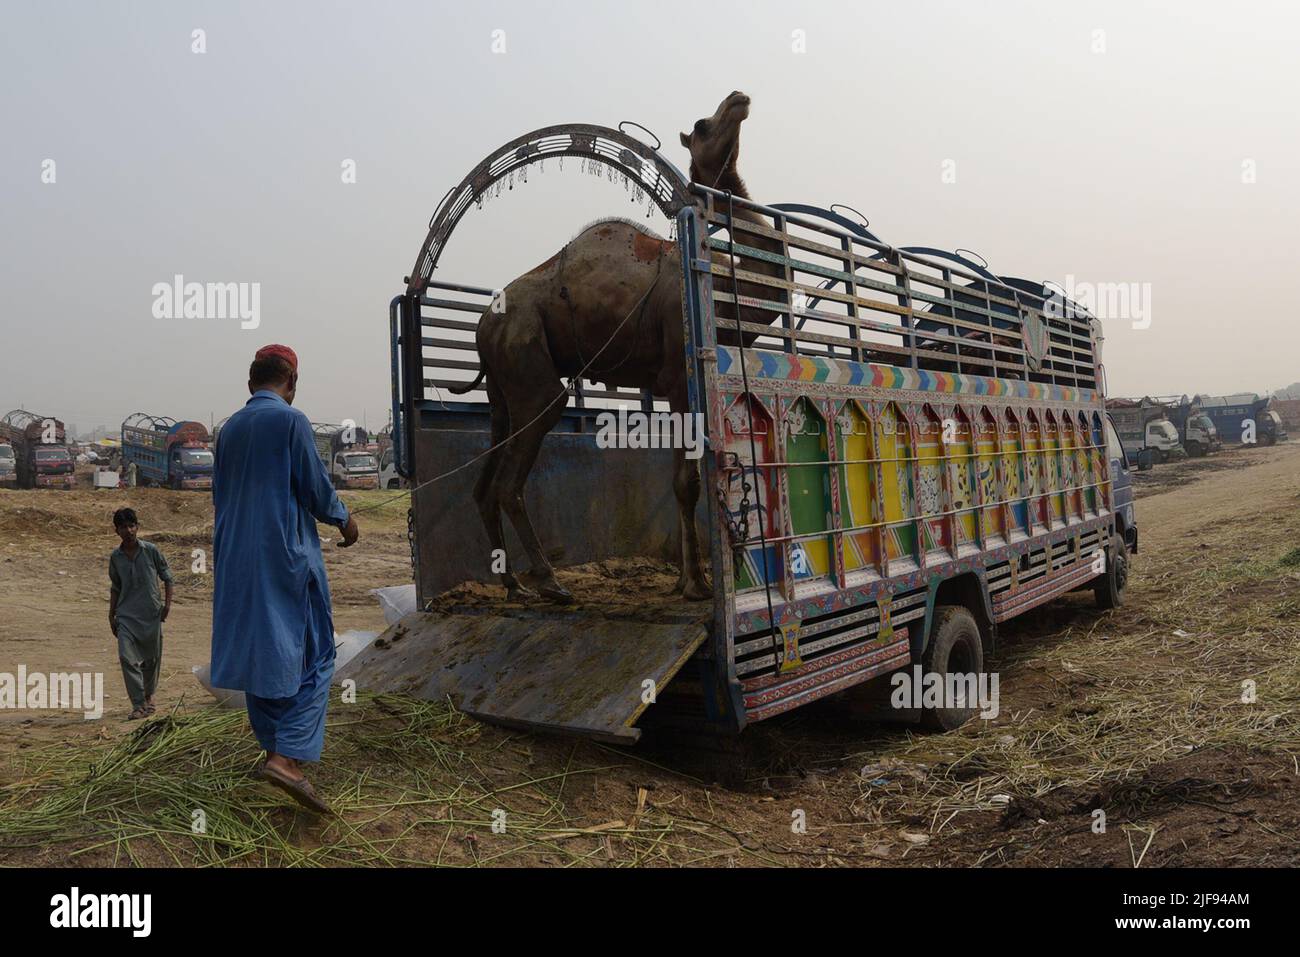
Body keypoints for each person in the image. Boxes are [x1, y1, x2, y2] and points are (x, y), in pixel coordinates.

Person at [210, 344, 358, 814]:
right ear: (291, 383)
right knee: (316, 653)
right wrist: (345, 520)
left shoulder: (228, 429)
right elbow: (315, 488)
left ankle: (276, 750)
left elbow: (221, 495)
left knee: (261, 652)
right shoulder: (291, 421)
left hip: (236, 557)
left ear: (250, 383)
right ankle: (286, 757)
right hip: (286, 556)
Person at [108, 507, 173, 720]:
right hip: (126, 615)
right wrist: (111, 614)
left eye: (131, 526)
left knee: (151, 659)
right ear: (116, 530)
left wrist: (167, 606)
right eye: (123, 527)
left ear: (137, 527)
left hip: (151, 613)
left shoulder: (151, 551)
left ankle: (148, 696)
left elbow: (167, 577)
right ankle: (137, 704)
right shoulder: (116, 557)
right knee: (127, 658)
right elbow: (116, 587)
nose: (128, 530)